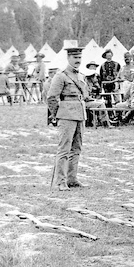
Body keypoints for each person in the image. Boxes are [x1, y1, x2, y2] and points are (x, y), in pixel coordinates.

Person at [47, 45, 88, 191]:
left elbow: (85, 96)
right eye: (75, 57)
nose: (78, 60)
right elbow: (52, 97)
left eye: (79, 58)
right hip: (66, 116)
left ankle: (72, 178)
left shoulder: (81, 75)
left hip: (80, 114)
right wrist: (57, 114)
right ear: (68, 58)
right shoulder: (61, 76)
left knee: (76, 148)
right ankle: (60, 181)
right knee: (64, 149)